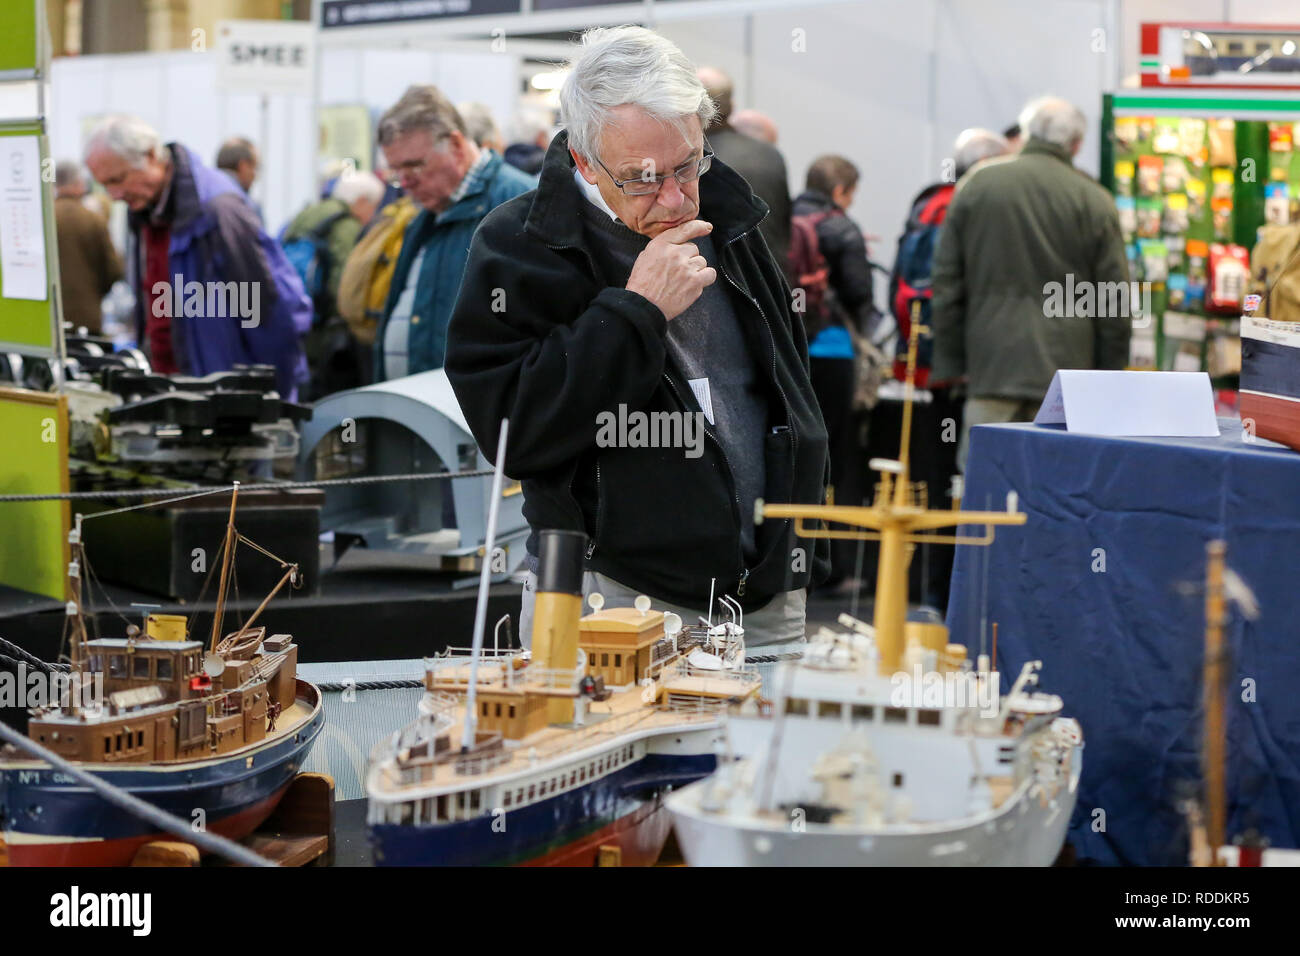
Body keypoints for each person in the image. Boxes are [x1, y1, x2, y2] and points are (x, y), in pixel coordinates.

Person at [445, 26, 830, 649]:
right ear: (584, 162)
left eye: (688, 165)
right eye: (641, 178)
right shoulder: (519, 244)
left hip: (764, 591)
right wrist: (637, 310)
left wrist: (802, 538)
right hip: (612, 595)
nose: (674, 199)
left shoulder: (729, 214)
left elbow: (787, 381)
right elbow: (514, 431)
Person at [931, 98, 1130, 471]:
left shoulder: (977, 185)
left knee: (985, 481)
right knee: (1057, 483)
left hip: (991, 368)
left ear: (1024, 134)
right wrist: (1107, 375)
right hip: (1067, 378)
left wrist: (952, 362)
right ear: (1076, 144)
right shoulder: (1095, 200)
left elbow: (946, 283)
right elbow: (1113, 300)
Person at [84, 116, 311, 399]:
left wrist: (271, 397)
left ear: (151, 156)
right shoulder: (144, 210)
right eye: (104, 185)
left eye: (118, 180)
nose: (114, 195)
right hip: (173, 389)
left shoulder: (218, 211)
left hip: (222, 397)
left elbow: (268, 309)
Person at [373, 85, 534, 382]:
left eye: (413, 166)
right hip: (417, 403)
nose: (405, 183)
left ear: (457, 146)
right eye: (397, 172)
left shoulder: (522, 203)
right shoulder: (426, 216)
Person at [789, 155, 874, 587]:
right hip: (832, 348)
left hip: (791, 350)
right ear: (840, 191)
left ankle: (793, 562)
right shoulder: (842, 227)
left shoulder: (779, 217)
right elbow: (860, 292)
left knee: (795, 452)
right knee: (837, 457)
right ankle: (833, 568)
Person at [281, 169, 386, 398]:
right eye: (374, 206)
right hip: (325, 323)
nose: (373, 214)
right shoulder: (345, 224)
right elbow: (344, 279)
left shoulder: (308, 213)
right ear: (361, 201)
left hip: (296, 312)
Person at [696, 66, 792, 265]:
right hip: (775, 272)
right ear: (732, 105)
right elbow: (785, 224)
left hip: (723, 274)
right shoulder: (770, 154)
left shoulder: (694, 161)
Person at [52, 160, 123, 334]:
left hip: (49, 318)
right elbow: (114, 269)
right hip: (86, 317)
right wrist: (94, 292)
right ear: (78, 184)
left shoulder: (43, 219)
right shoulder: (94, 220)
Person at [216, 136, 262, 220]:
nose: (256, 176)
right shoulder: (247, 206)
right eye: (255, 168)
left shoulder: (202, 196)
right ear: (243, 167)